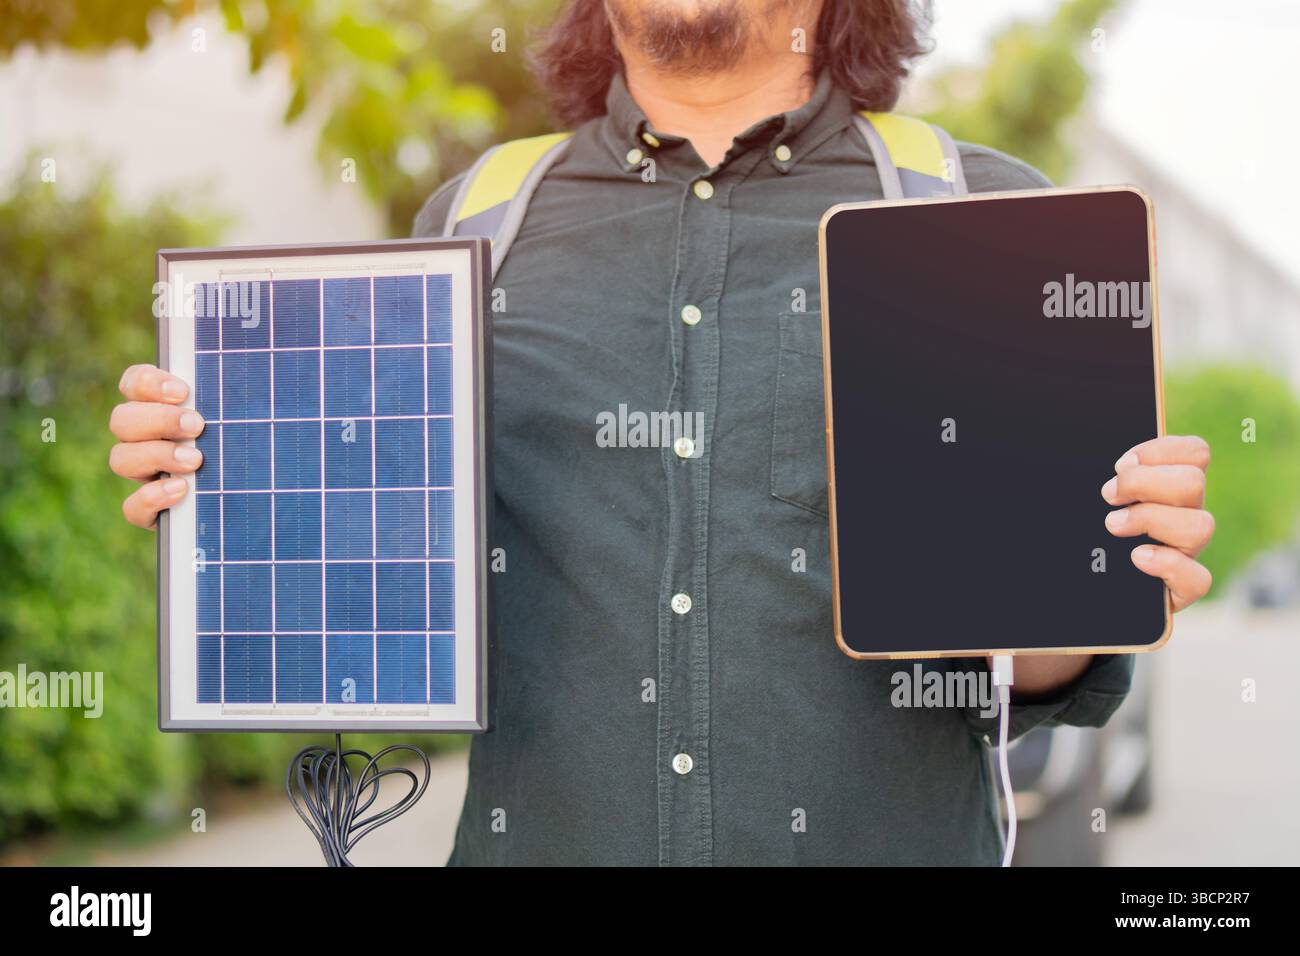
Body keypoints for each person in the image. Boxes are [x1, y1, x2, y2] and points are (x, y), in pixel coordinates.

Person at [108, 0, 1214, 865]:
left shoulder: (972, 213)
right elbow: (372, 574)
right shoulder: (473, 229)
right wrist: (220, 481)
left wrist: (1105, 566)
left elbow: (1033, 665)